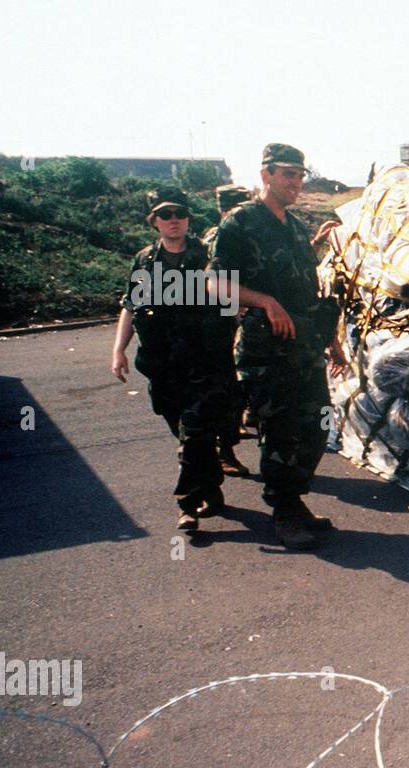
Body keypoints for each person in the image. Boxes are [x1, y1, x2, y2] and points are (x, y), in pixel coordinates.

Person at [207, 143, 343, 550]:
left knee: (316, 425)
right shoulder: (241, 223)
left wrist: (333, 342)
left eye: (301, 175)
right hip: (266, 352)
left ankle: (294, 499)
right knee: (280, 432)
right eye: (288, 174)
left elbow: (309, 294)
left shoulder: (296, 227)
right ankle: (284, 512)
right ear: (266, 175)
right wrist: (264, 301)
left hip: (305, 348)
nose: (296, 182)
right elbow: (213, 284)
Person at [111, 187, 235, 531]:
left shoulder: (210, 256)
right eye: (165, 215)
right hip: (163, 366)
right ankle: (211, 487)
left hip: (205, 364)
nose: (173, 220)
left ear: (188, 219)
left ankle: (188, 504)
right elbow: (131, 306)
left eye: (179, 214)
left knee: (193, 432)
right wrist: (118, 350)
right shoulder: (145, 261)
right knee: (187, 434)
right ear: (154, 221)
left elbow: (232, 308)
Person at [202, 184, 254, 477]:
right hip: (221, 325)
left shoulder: (237, 235)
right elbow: (217, 286)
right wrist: (236, 314)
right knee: (226, 388)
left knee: (236, 387)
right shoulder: (220, 236)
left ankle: (230, 435)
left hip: (233, 321)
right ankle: (224, 451)